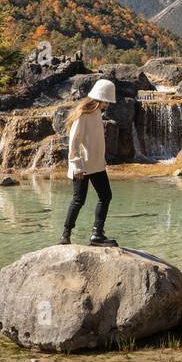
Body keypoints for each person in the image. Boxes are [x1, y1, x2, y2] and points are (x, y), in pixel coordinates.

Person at [62, 78, 119, 247]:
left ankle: (97, 234)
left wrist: (102, 160)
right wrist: (76, 165)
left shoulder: (95, 113)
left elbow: (94, 141)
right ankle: (65, 235)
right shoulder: (84, 114)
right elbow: (74, 141)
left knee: (105, 196)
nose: (108, 104)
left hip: (96, 165)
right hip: (82, 166)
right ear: (102, 98)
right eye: (107, 101)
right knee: (79, 200)